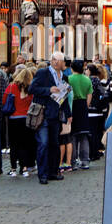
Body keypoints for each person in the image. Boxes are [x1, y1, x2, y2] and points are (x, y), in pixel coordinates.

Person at [29, 51, 70, 184]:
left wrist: (68, 114)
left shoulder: (64, 77)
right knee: (43, 144)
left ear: (63, 63)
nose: (56, 62)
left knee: (54, 144)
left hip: (55, 115)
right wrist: (48, 90)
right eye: (54, 60)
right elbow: (32, 88)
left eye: (59, 60)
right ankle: (43, 174)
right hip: (43, 114)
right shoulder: (43, 73)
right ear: (51, 60)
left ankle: (53, 172)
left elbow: (64, 98)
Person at [3, 68, 35, 177]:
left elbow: (4, 100)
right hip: (26, 118)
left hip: (13, 119)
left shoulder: (11, 87)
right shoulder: (30, 89)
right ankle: (24, 167)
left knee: (14, 144)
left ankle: (13, 168)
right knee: (24, 144)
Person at [68, 59, 93, 170]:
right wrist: (86, 106)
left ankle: (72, 162)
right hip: (83, 106)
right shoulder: (87, 80)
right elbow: (89, 94)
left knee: (72, 136)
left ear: (72, 68)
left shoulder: (69, 79)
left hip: (72, 106)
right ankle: (85, 161)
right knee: (84, 135)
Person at [85, 65, 107, 162]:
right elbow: (104, 94)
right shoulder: (98, 81)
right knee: (96, 133)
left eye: (86, 69)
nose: (85, 71)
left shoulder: (88, 81)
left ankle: (92, 153)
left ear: (89, 71)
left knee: (91, 134)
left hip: (90, 111)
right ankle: (96, 152)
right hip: (98, 111)